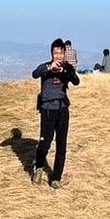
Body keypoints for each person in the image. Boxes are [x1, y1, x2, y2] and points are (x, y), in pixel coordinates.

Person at [31, 38, 78, 189]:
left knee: (61, 145)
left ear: (64, 53)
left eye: (61, 53)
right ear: (52, 53)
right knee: (45, 143)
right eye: (55, 53)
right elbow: (35, 74)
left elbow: (76, 81)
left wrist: (64, 71)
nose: (58, 55)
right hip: (47, 110)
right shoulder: (45, 66)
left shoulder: (68, 68)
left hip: (62, 109)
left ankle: (56, 177)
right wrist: (49, 68)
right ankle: (38, 167)